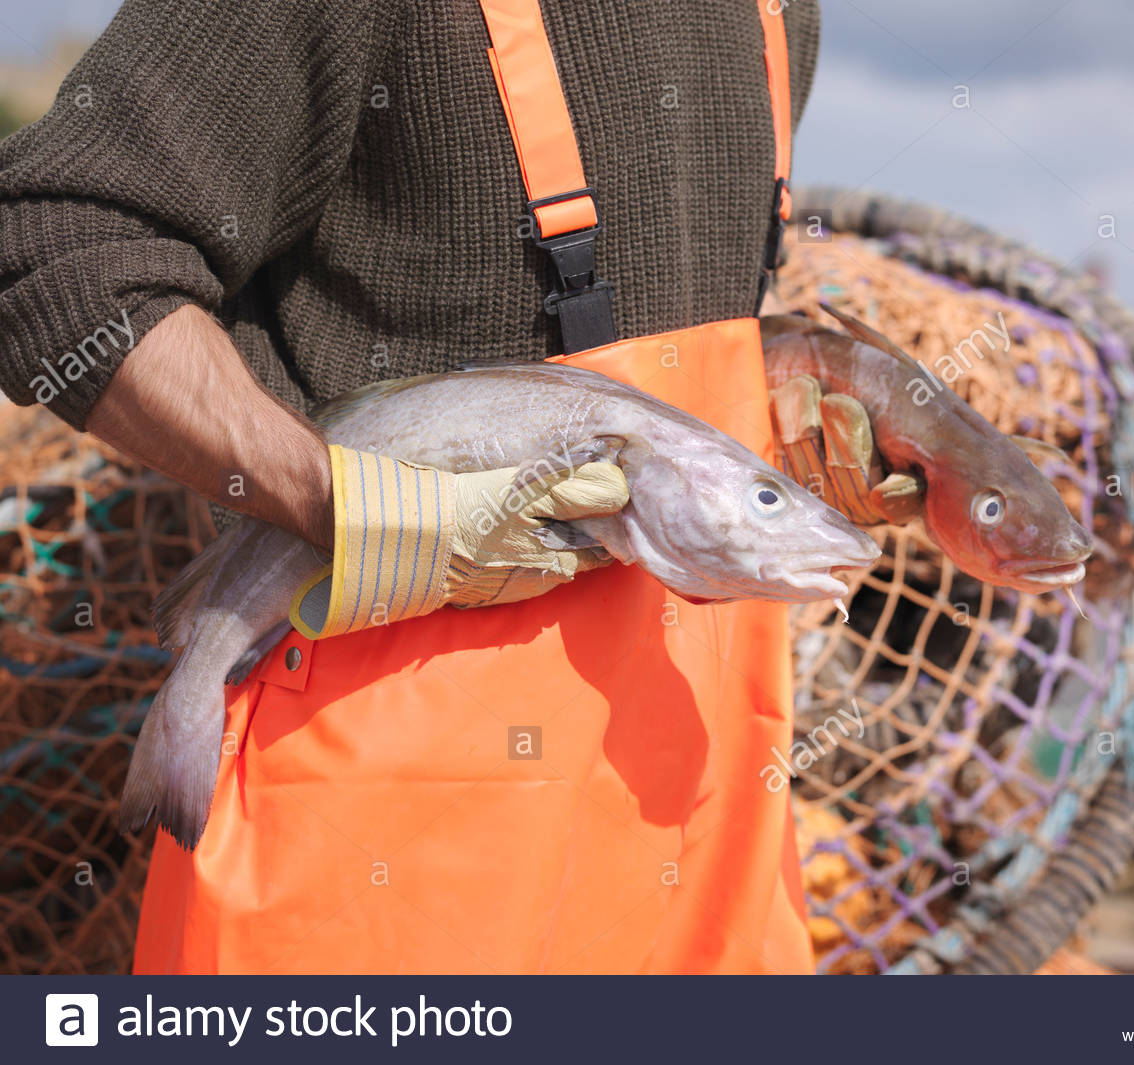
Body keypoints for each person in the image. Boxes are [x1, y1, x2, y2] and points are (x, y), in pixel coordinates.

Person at [0, 0, 824, 973]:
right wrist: (342, 505)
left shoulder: (782, 13)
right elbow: (59, 253)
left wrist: (805, 410)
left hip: (697, 823)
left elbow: (647, 312)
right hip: (394, 857)